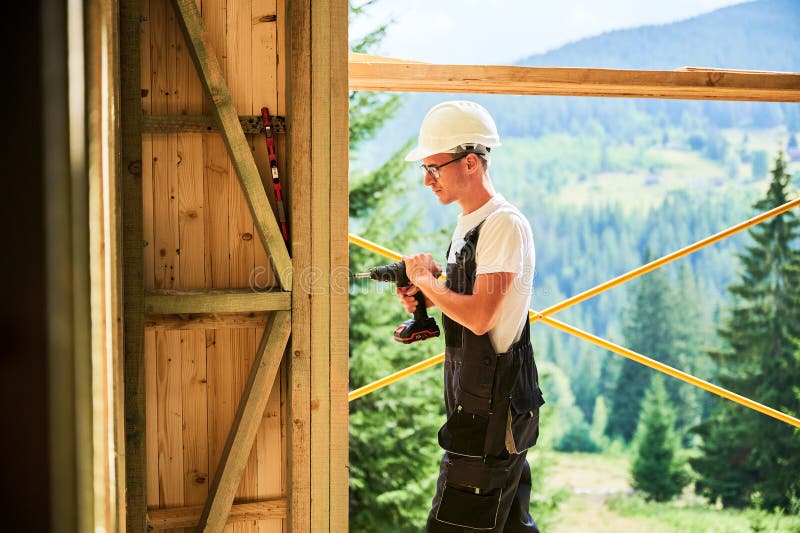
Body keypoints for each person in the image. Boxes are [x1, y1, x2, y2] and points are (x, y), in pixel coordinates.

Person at [398, 100, 545, 532]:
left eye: (433, 167)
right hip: (477, 408)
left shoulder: (503, 224)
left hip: (491, 414)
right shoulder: (470, 223)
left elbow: (481, 316)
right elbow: (473, 308)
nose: (427, 180)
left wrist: (427, 283)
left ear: (469, 163)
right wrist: (433, 296)